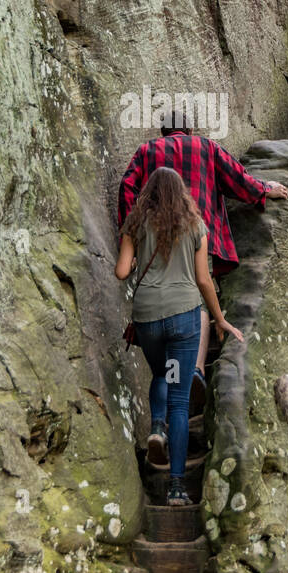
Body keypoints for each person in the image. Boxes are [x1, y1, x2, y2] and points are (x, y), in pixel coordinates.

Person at [117, 116, 288, 402]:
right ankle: (195, 370)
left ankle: (168, 392)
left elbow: (126, 187)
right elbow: (237, 179)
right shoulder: (207, 147)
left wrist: (130, 235)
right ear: (190, 129)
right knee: (196, 298)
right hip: (198, 235)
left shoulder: (147, 151)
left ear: (163, 131)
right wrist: (263, 189)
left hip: (154, 244)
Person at [116, 167, 243, 505]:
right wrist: (219, 320)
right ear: (181, 192)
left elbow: (121, 271)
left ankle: (156, 428)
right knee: (179, 398)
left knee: (162, 373)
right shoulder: (195, 226)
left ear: (149, 194)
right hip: (183, 319)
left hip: (148, 320)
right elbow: (203, 280)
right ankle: (175, 487)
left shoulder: (135, 224)